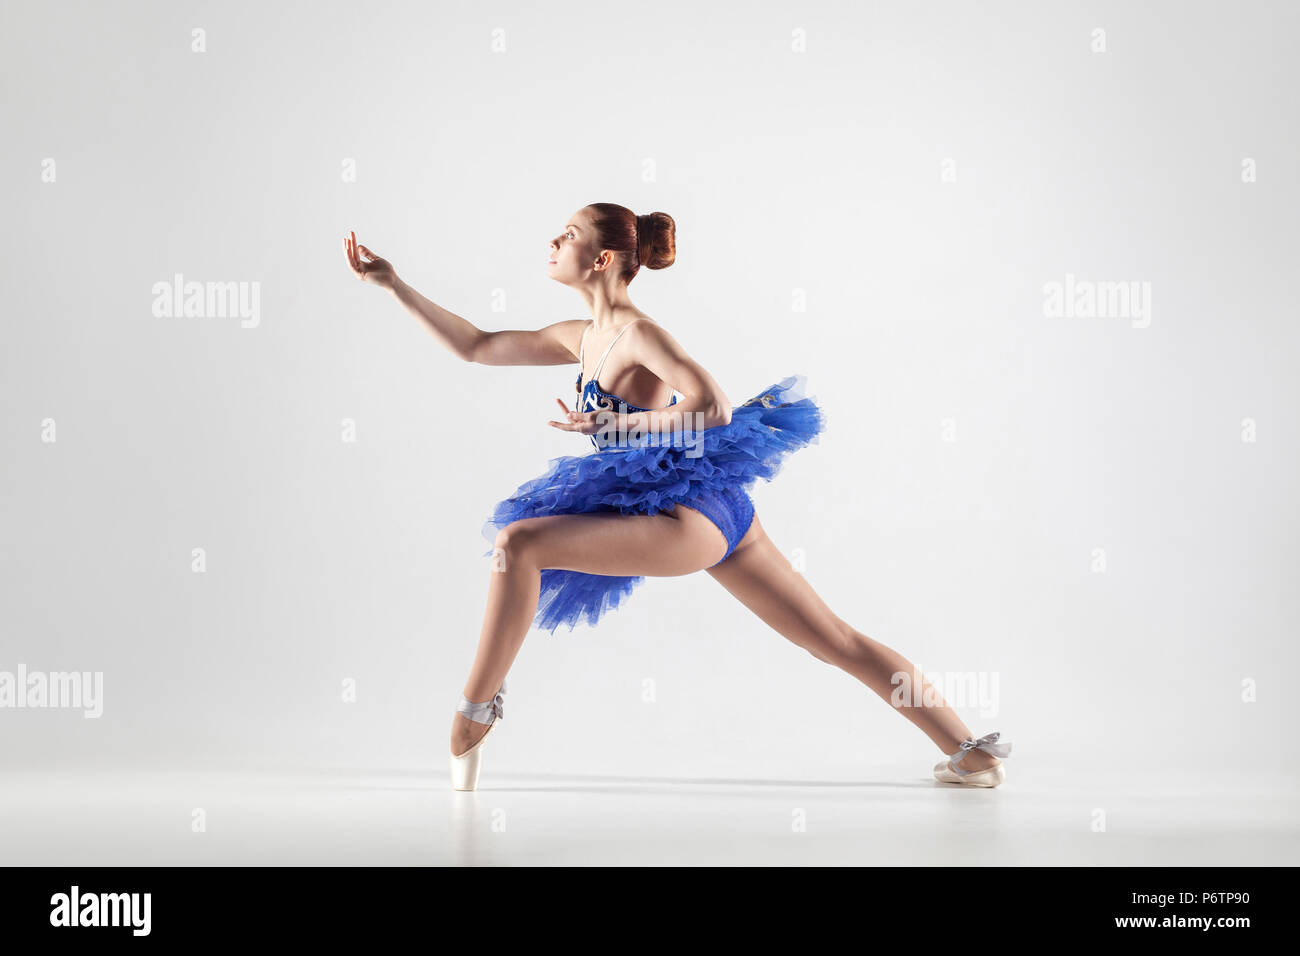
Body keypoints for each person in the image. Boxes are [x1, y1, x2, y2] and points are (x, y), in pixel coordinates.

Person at [341, 203, 1012, 791]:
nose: (552, 242)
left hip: (682, 513)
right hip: (711, 505)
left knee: (519, 544)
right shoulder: (581, 338)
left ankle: (474, 712)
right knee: (832, 639)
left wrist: (618, 424)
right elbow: (479, 347)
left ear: (600, 258)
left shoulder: (639, 335)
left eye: (566, 234)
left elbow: (714, 407)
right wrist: (393, 284)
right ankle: (968, 753)